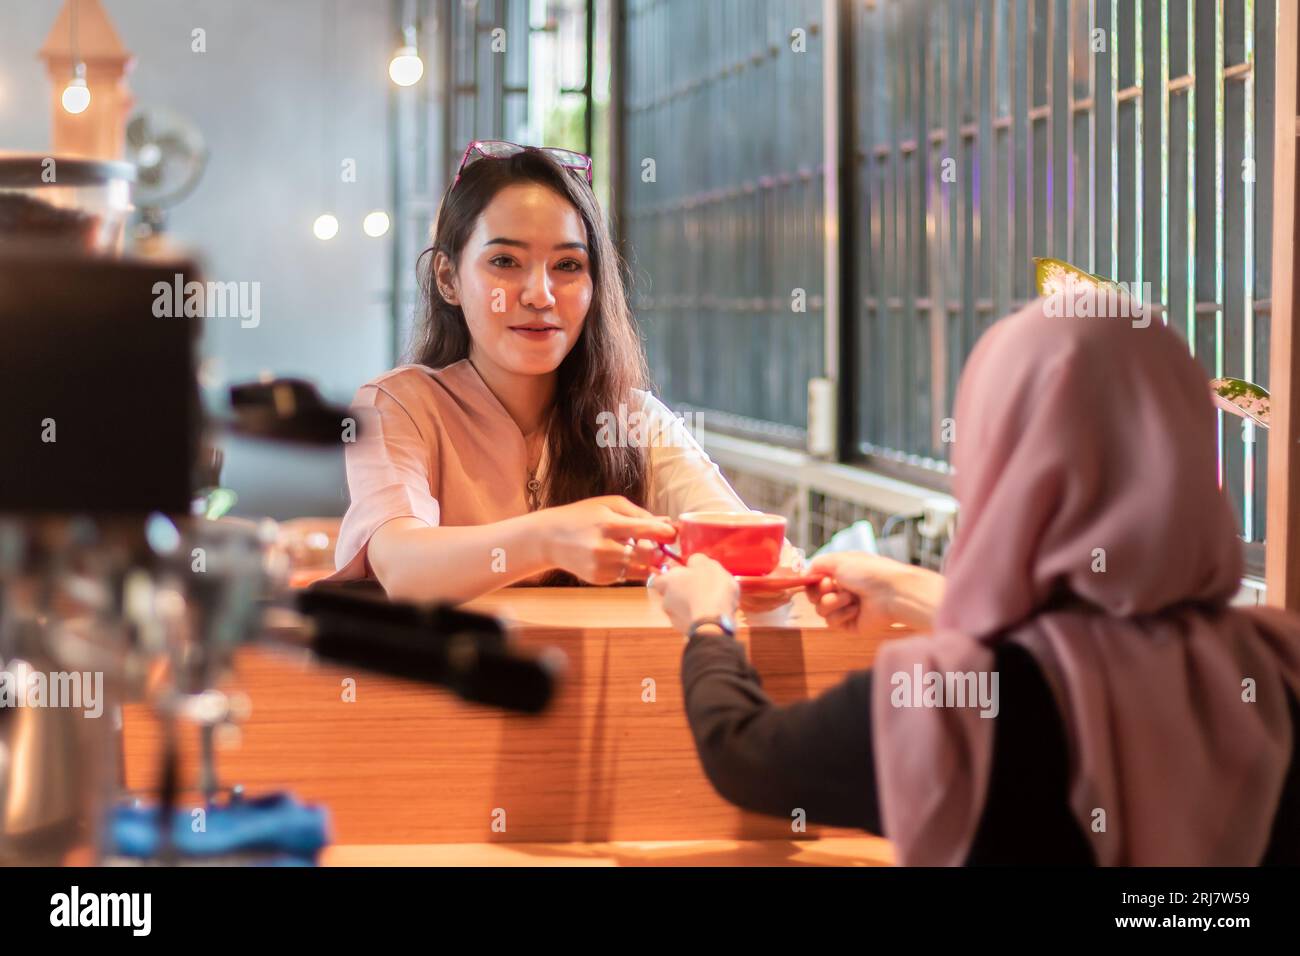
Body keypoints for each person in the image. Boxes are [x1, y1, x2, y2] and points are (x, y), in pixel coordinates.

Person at [651, 300, 1300, 865]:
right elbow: (1084, 649)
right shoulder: (1275, 663)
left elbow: (747, 757)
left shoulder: (953, 704)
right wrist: (910, 594)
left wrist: (709, 623)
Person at [326, 141, 754, 603]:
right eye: (505, 262)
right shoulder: (397, 407)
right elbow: (402, 567)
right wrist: (549, 539)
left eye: (568, 265)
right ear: (448, 278)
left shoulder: (633, 421)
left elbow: (741, 547)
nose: (540, 295)